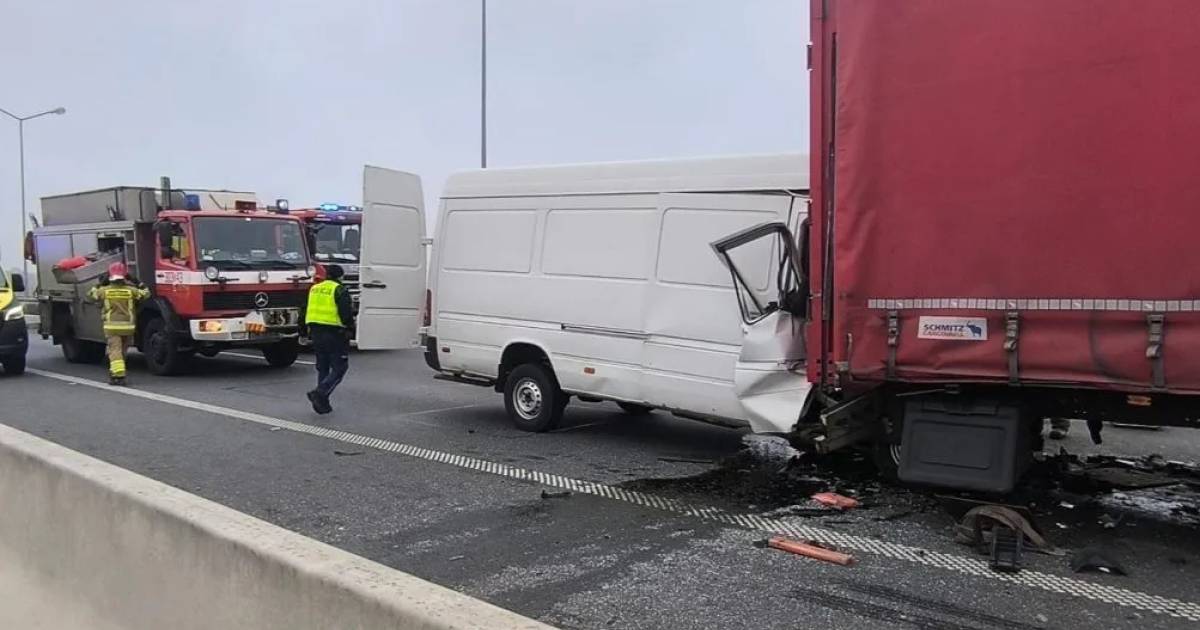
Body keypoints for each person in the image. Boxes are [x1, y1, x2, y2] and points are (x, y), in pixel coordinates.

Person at [302, 264, 355, 414]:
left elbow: (304, 309)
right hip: (335, 333)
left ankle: (322, 403)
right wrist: (350, 328)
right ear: (340, 276)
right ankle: (320, 393)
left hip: (316, 332)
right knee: (340, 368)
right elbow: (345, 313)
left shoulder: (314, 288)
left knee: (323, 367)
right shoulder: (339, 289)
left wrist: (302, 332)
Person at [87, 262, 150, 386]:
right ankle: (115, 371)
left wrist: (100, 283)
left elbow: (91, 294)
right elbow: (146, 294)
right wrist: (137, 282)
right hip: (128, 326)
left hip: (112, 327)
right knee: (122, 351)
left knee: (115, 351)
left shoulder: (104, 291)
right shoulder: (131, 291)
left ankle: (118, 375)